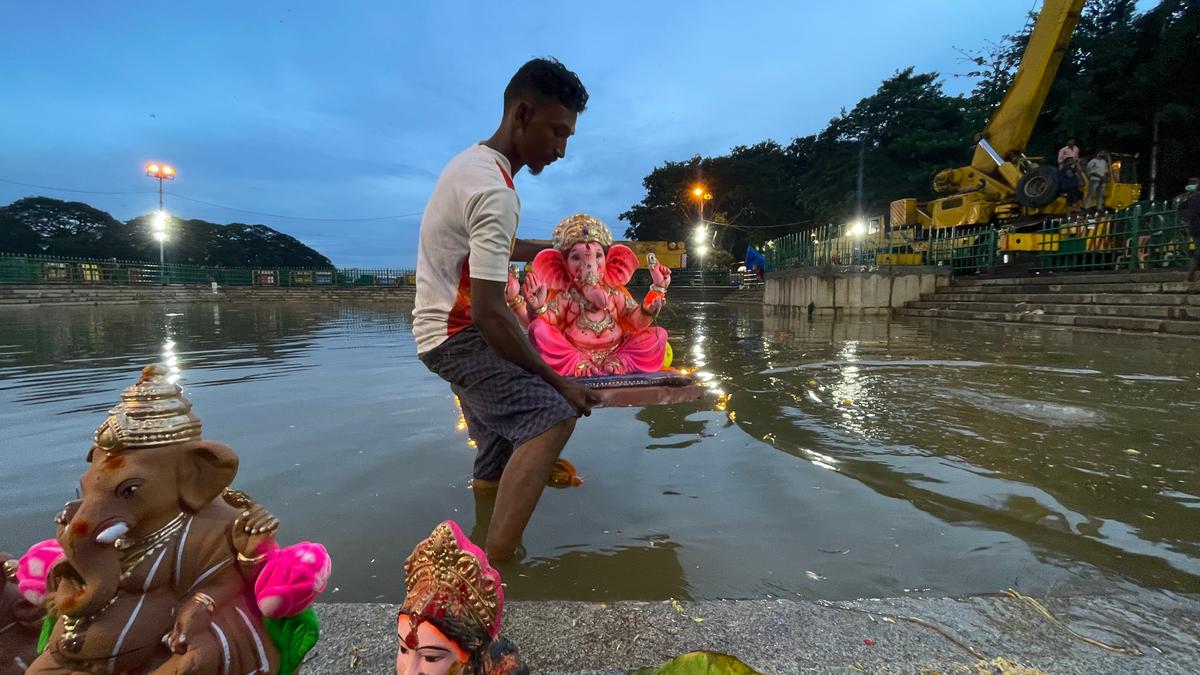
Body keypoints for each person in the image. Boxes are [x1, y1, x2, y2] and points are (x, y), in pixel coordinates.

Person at [412, 58, 599, 562]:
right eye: (557, 132)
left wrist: (552, 249)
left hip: (437, 333)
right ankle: (496, 571)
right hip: (459, 335)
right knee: (550, 417)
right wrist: (558, 382)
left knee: (497, 445)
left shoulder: (471, 165)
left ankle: (483, 534)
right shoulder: (496, 191)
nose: (561, 150)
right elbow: (491, 314)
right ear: (522, 114)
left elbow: (495, 246)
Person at [1181, 177, 1200, 281]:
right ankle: (1191, 271)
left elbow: (1181, 207)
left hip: (1193, 227)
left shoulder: (1189, 197)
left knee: (1198, 248)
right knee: (1198, 250)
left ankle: (1192, 271)